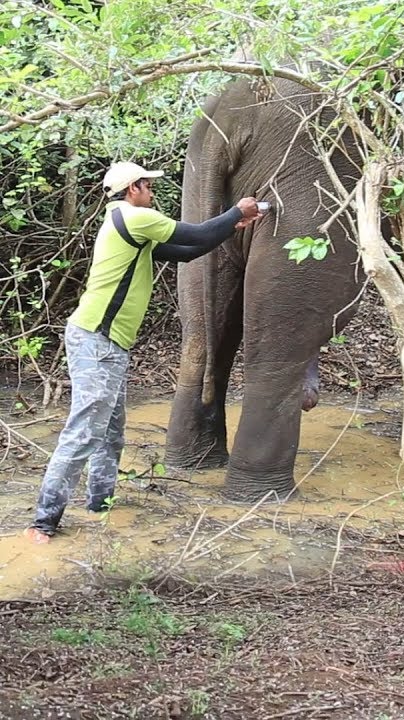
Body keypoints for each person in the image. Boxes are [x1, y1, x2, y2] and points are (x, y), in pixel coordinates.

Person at [23, 161, 262, 544]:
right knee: (84, 432)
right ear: (133, 188)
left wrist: (228, 228)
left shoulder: (126, 222)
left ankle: (99, 506)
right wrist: (237, 212)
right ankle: (43, 522)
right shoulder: (134, 218)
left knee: (111, 433)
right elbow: (196, 234)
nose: (152, 193)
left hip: (108, 341)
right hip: (95, 339)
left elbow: (186, 251)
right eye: (149, 187)